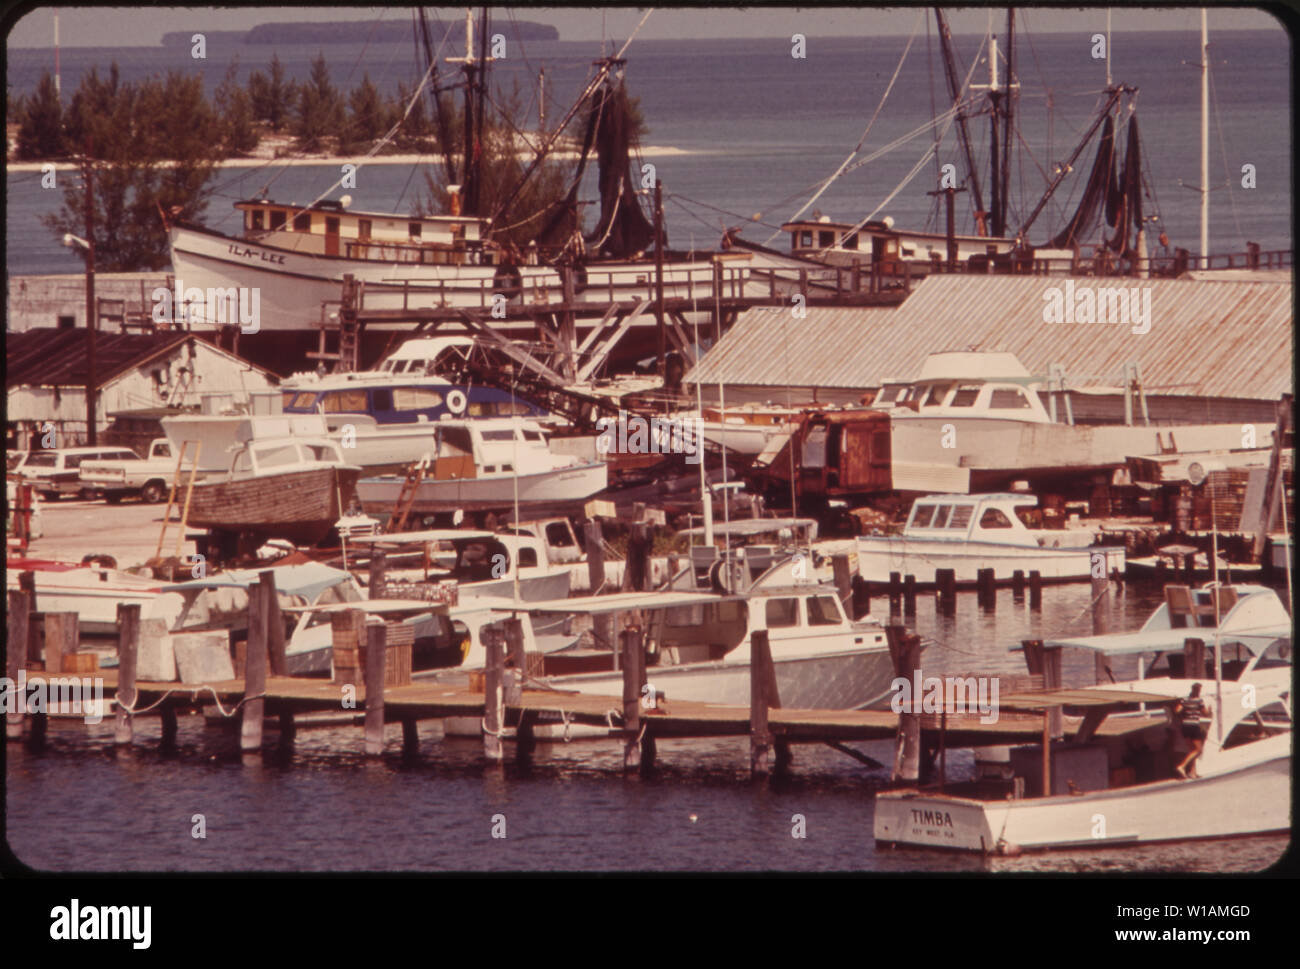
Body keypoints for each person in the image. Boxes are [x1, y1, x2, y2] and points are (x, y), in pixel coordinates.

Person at [1173, 683, 1212, 779]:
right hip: (1194, 726)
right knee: (1198, 750)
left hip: (1185, 726)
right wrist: (1209, 711)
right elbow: (1206, 714)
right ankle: (1182, 766)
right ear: (1197, 690)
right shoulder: (1199, 701)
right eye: (1199, 690)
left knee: (1192, 751)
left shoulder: (1184, 700)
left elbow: (1177, 710)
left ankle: (1192, 773)